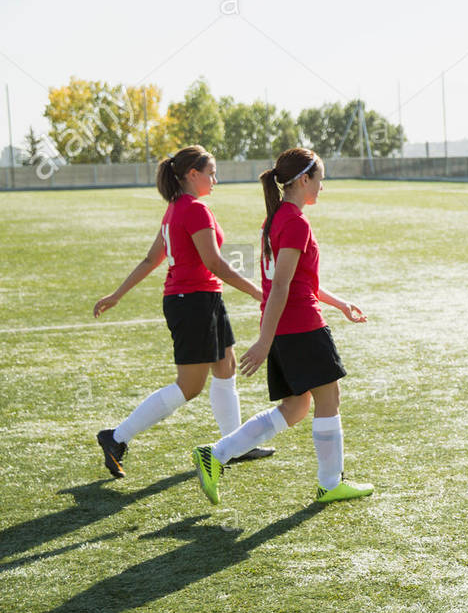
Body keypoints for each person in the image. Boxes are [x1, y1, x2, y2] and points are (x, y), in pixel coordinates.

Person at [191, 147, 373, 505]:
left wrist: (340, 304)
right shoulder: (295, 222)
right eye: (320, 180)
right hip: (301, 325)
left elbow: (299, 280)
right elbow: (284, 286)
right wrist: (263, 341)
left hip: (287, 326)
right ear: (304, 180)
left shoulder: (276, 219)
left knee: (295, 407)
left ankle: (216, 454)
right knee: (328, 397)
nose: (322, 187)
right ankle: (330, 483)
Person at [94, 146, 271, 477]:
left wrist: (118, 294)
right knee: (189, 387)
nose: (215, 179)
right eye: (211, 172)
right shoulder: (193, 210)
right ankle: (116, 437)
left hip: (201, 299)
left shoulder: (176, 209)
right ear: (193, 174)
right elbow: (214, 262)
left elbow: (152, 259)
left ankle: (232, 447)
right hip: (192, 303)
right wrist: (257, 292)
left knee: (226, 367)